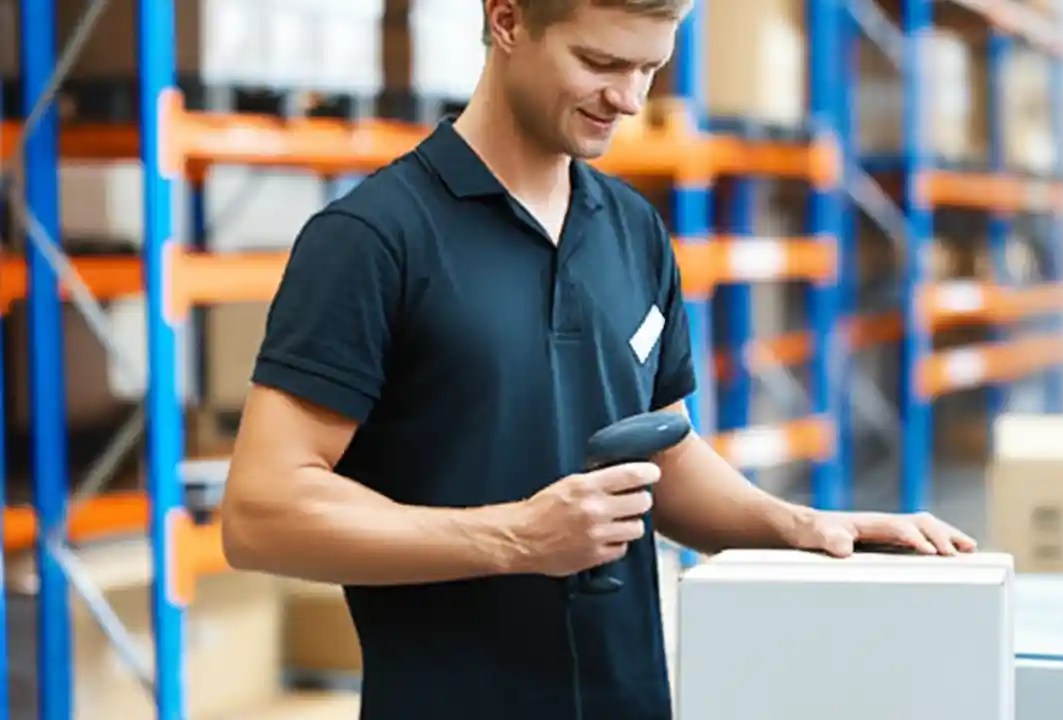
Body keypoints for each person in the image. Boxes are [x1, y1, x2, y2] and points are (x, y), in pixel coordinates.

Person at [219, 1, 977, 718]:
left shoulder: (632, 230)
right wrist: (517, 536)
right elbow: (264, 512)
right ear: (506, 17)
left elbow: (666, 457)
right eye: (601, 61)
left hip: (631, 700)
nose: (628, 99)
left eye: (650, 69)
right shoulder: (373, 239)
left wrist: (800, 525)